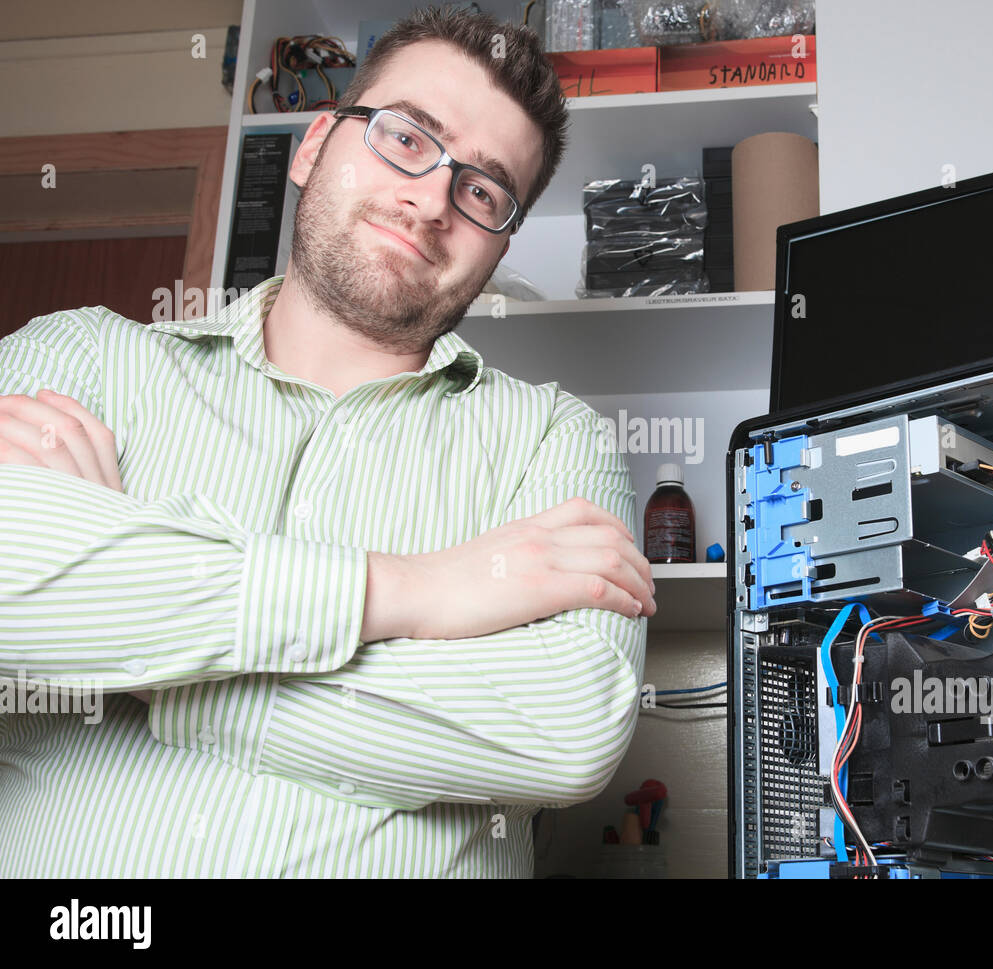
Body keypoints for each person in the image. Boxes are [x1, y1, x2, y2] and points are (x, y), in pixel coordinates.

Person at [0, 6, 656, 877]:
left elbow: (566, 731)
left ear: (497, 246)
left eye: (484, 191)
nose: (431, 201)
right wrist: (411, 589)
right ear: (313, 147)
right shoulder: (80, 355)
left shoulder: (553, 442)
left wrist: (144, 648)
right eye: (407, 139)